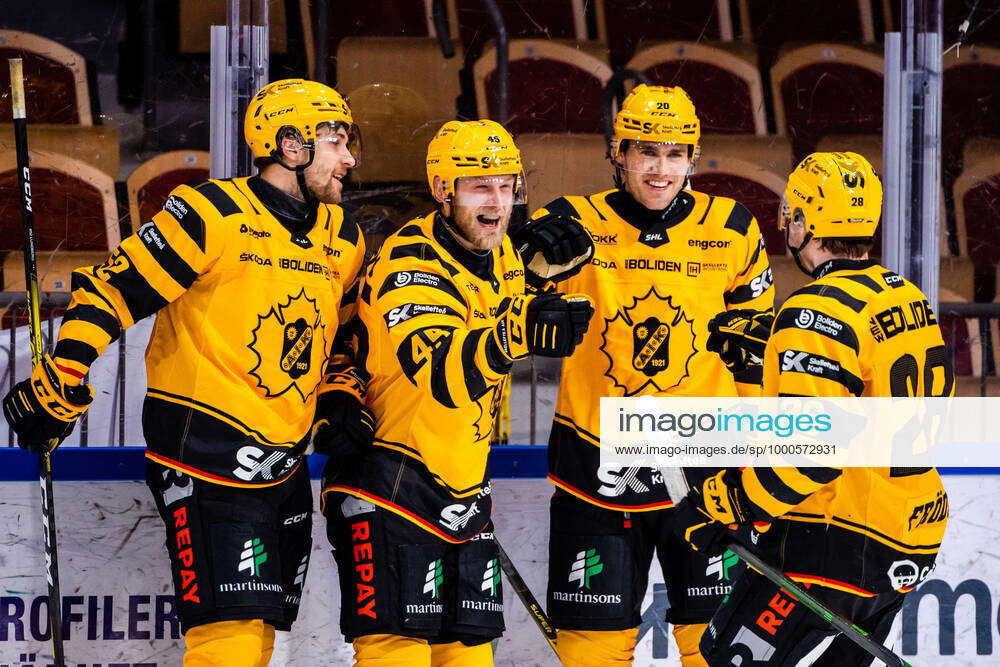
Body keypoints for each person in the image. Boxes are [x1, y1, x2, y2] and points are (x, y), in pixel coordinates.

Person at [2, 78, 371, 666]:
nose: (349, 158)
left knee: (259, 637)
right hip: (204, 446)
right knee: (230, 636)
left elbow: (347, 333)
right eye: (335, 142)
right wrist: (62, 376)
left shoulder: (343, 238)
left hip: (284, 462)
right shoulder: (212, 213)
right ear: (291, 145)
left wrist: (339, 392)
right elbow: (111, 290)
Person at [321, 119, 594, 667]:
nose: (498, 202)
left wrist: (554, 270)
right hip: (389, 482)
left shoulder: (501, 257)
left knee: (469, 659)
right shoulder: (411, 262)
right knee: (395, 657)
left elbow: (508, 291)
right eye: (479, 187)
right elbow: (443, 374)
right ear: (444, 191)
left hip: (463, 491)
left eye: (507, 185)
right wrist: (518, 328)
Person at [526, 84, 775, 666]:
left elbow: (756, 365)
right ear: (618, 152)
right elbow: (503, 306)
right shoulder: (569, 222)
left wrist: (759, 472)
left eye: (674, 153)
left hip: (707, 475)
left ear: (693, 156)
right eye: (645, 152)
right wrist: (527, 266)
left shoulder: (734, 227)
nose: (660, 169)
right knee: (591, 652)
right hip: (596, 470)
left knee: (717, 649)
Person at [676, 151, 953, 664]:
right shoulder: (905, 296)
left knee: (726, 657)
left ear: (803, 221)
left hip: (837, 540)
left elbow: (812, 453)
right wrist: (768, 366)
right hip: (911, 533)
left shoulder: (813, 311)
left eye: (792, 215)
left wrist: (728, 501)